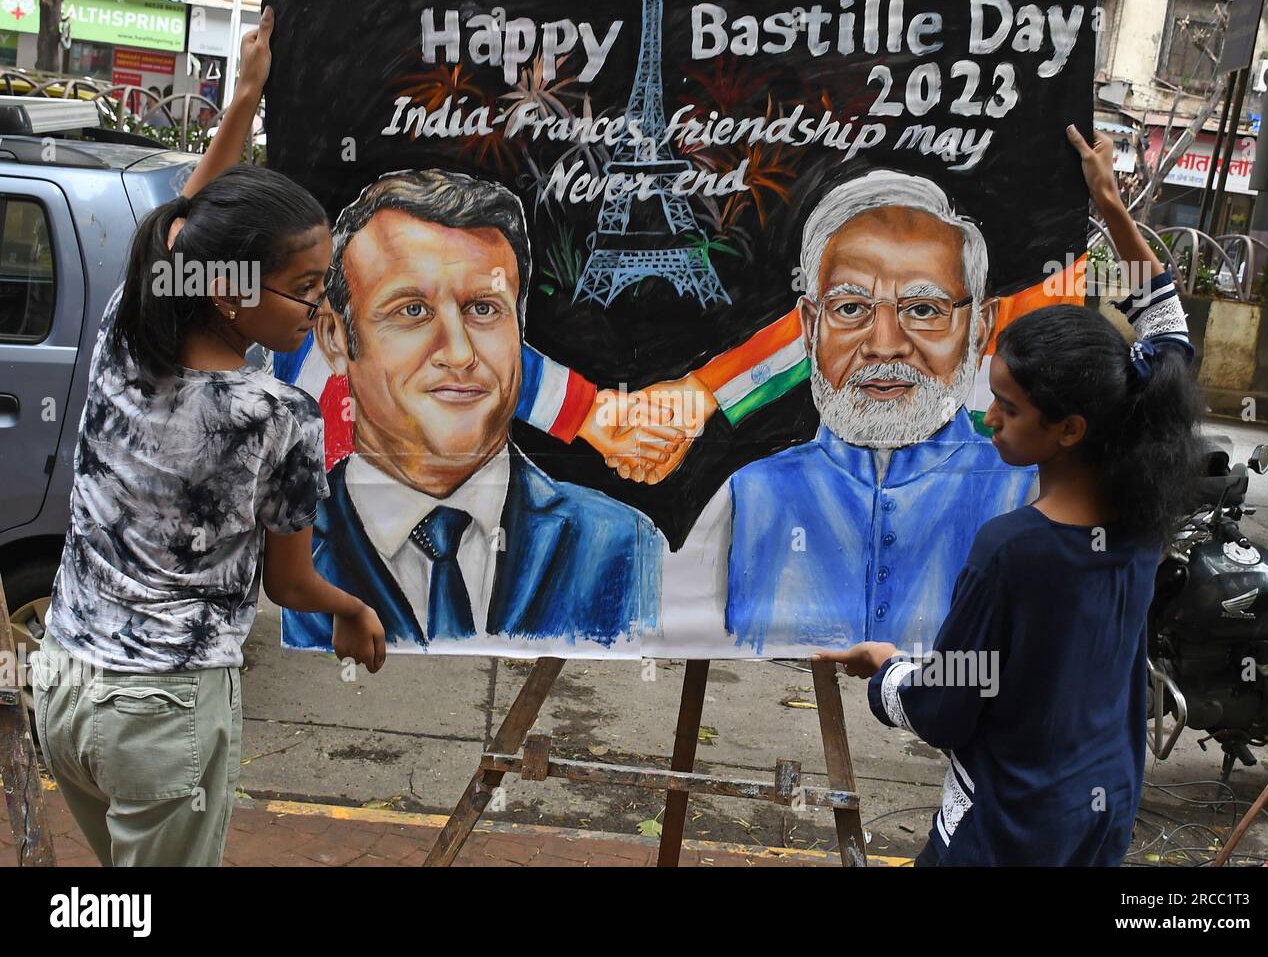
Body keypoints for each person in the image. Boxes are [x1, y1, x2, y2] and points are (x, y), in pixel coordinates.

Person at [29, 7, 386, 868]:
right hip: (163, 715)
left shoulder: (125, 331)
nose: (319, 308)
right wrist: (353, 609)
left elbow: (183, 227)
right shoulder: (278, 419)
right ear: (230, 289)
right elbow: (290, 582)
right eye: (306, 289)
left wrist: (242, 102)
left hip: (66, 688)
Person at [815, 124, 1200, 866]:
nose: (988, 418)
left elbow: (945, 704)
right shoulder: (1142, 505)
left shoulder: (1015, 551)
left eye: (1010, 408)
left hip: (1008, 832)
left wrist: (887, 667)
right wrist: (1112, 207)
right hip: (1100, 812)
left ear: (1068, 427)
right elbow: (1166, 322)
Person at [654, 170, 1037, 657]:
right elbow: (678, 634)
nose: (884, 345)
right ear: (811, 326)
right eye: (852, 308)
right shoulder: (746, 500)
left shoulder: (1025, 493)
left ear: (980, 329)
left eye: (922, 310)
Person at [280, 168, 662, 653]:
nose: (459, 353)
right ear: (335, 337)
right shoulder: (295, 550)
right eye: (412, 311)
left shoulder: (623, 547)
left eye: (483, 308)